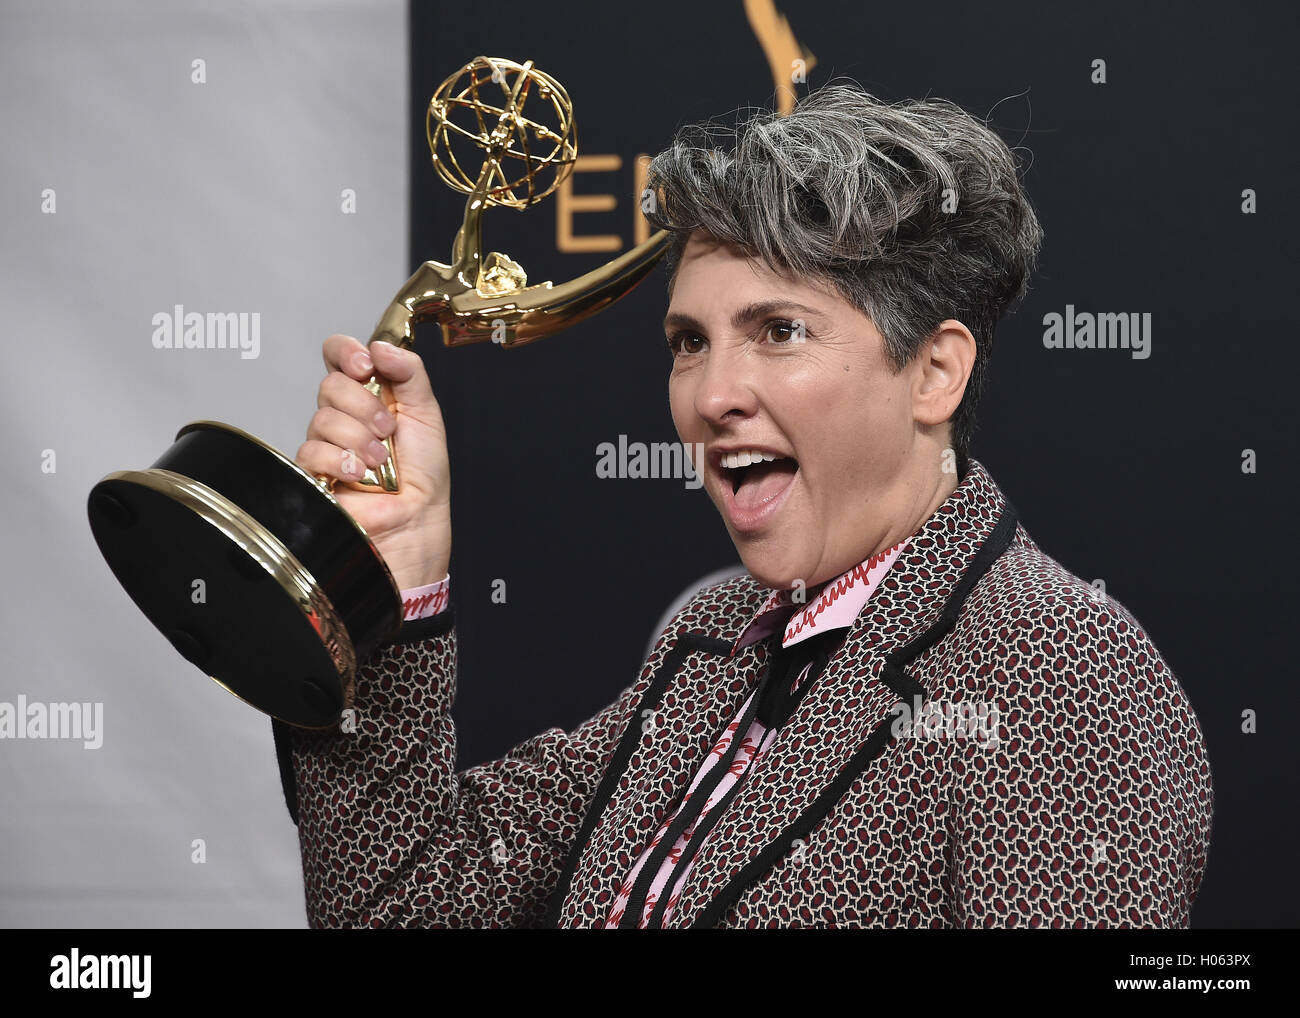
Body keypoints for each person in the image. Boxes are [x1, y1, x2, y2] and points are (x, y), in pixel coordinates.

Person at [277, 81, 1213, 928]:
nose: (712, 393)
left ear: (935, 372)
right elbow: (401, 908)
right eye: (689, 341)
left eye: (779, 331)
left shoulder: (1062, 669)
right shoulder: (713, 640)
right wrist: (391, 586)